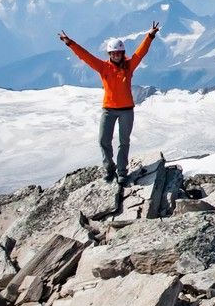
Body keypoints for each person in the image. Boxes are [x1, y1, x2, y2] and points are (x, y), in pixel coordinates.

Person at [58, 22, 160, 185]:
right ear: (110, 54)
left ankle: (122, 172)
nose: (116, 56)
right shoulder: (103, 67)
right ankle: (109, 168)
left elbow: (140, 53)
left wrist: (150, 36)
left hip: (127, 110)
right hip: (108, 110)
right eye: (113, 53)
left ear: (122, 53)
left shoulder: (129, 66)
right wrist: (70, 43)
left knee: (124, 142)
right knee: (103, 140)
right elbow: (85, 56)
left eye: (118, 53)